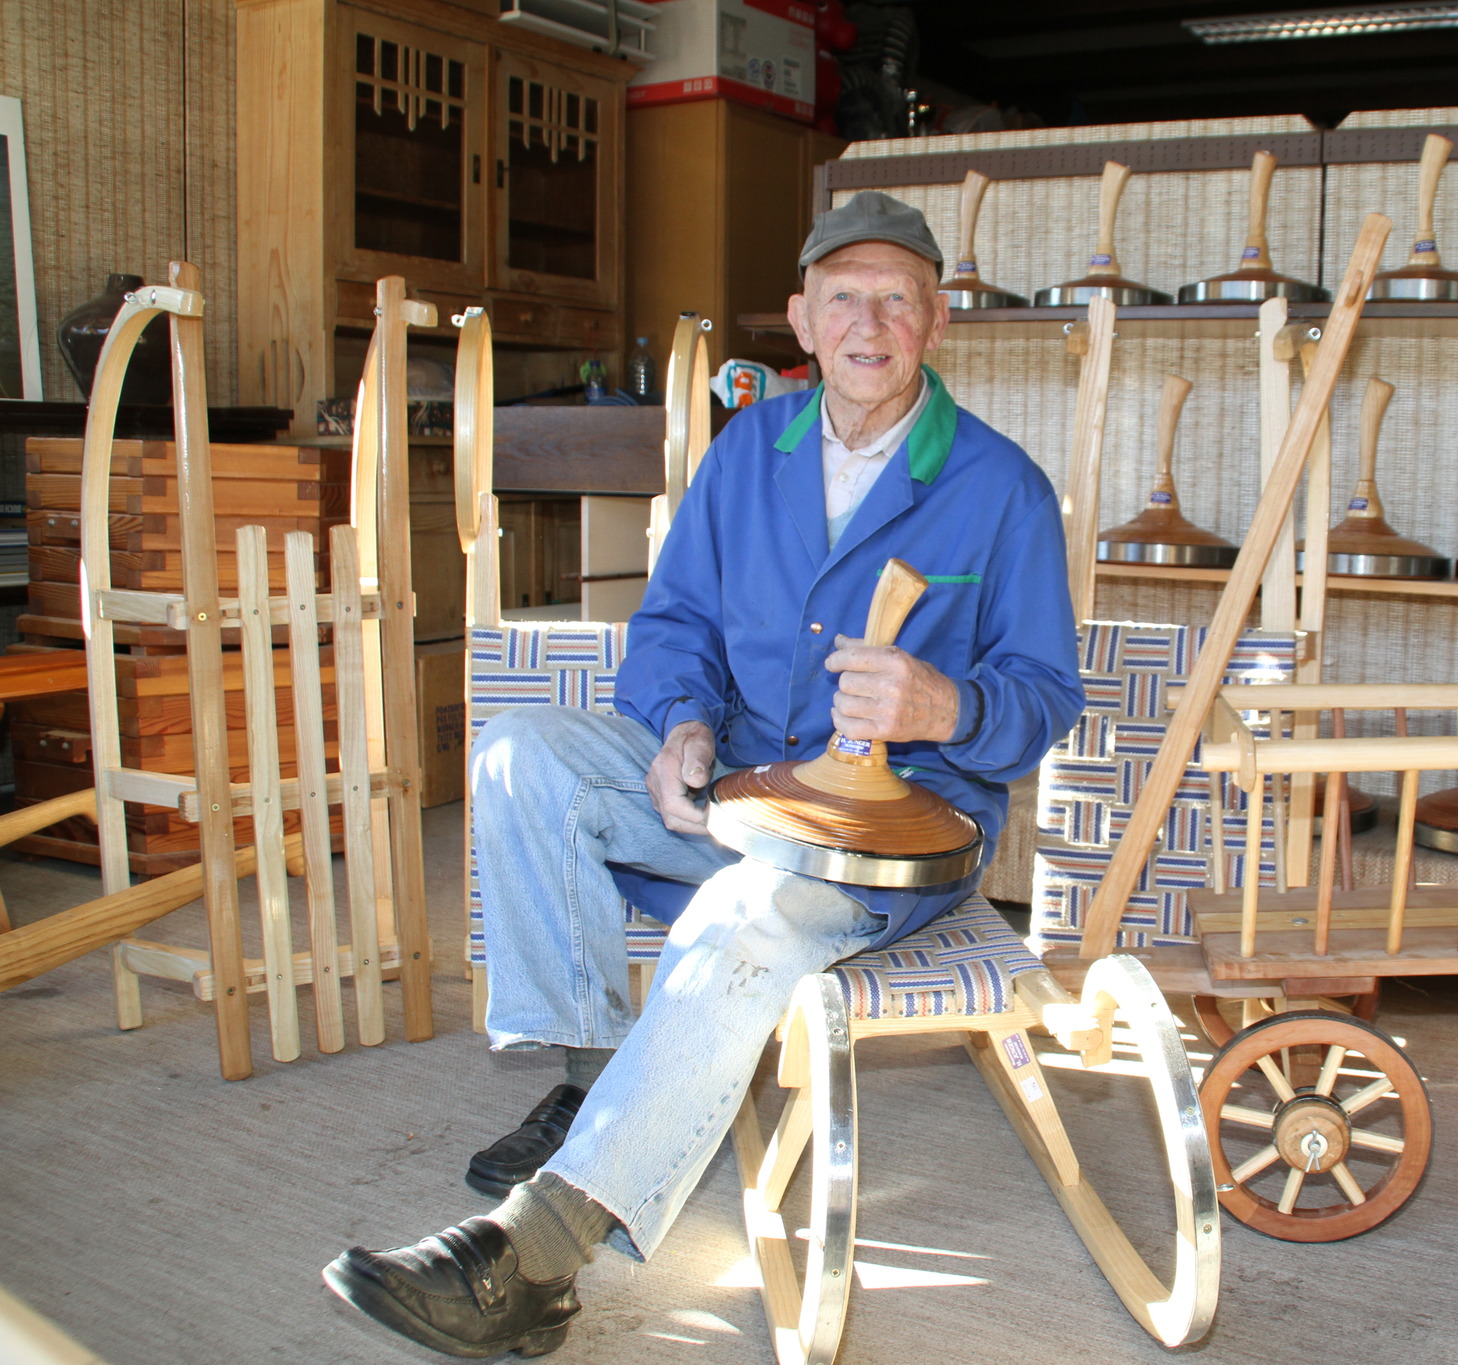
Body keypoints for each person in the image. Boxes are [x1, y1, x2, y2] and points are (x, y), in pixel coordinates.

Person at [323, 192, 1084, 1359]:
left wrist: (952, 704)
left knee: (744, 907)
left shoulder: (1003, 488)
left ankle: (537, 1258)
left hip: (891, 837)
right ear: (801, 316)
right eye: (843, 298)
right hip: (733, 788)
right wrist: (678, 725)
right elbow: (673, 622)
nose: (867, 324)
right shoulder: (748, 455)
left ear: (936, 320)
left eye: (895, 298)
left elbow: (1042, 699)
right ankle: (590, 1080)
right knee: (519, 751)